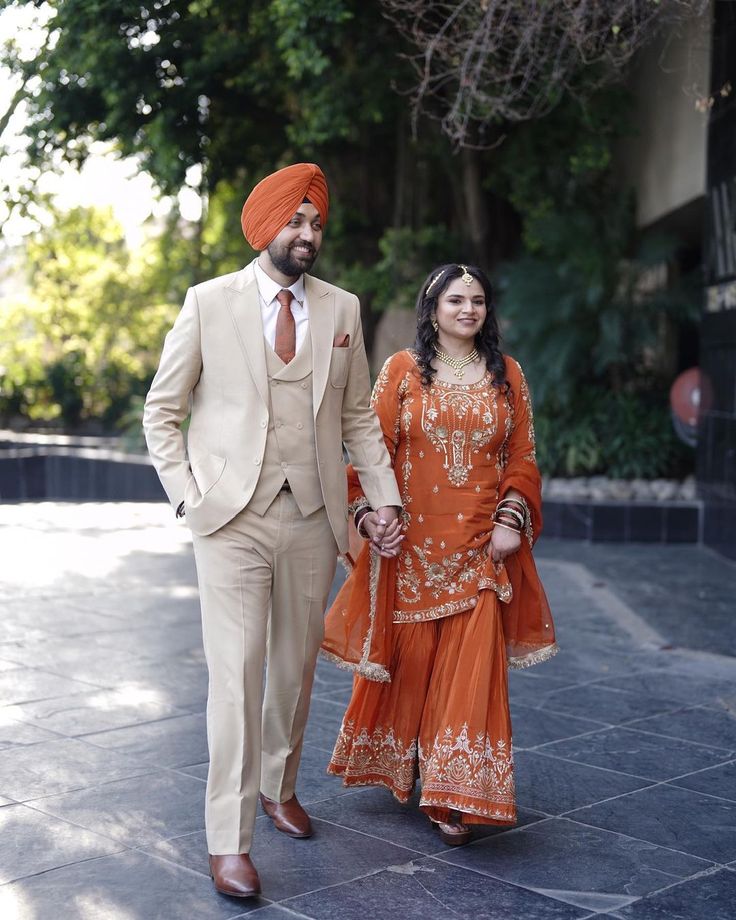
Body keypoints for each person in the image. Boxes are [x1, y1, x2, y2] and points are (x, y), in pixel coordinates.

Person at [143, 163, 402, 898]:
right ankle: (229, 840)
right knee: (235, 677)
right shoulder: (208, 302)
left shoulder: (343, 310)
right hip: (229, 519)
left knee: (293, 670)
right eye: (295, 221)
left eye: (316, 223)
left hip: (314, 517)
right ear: (265, 228)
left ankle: (278, 785)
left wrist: (382, 500)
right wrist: (187, 497)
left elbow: (357, 418)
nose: (307, 234)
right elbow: (163, 411)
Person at [321, 263, 557, 845]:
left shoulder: (508, 374)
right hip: (413, 549)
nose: (468, 310)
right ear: (432, 309)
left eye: (478, 300)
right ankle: (415, 768)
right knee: (417, 666)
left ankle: (455, 794)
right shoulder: (402, 372)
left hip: (481, 549)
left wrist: (511, 518)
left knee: (471, 669)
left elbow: (524, 455)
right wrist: (371, 515)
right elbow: (370, 449)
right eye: (456, 300)